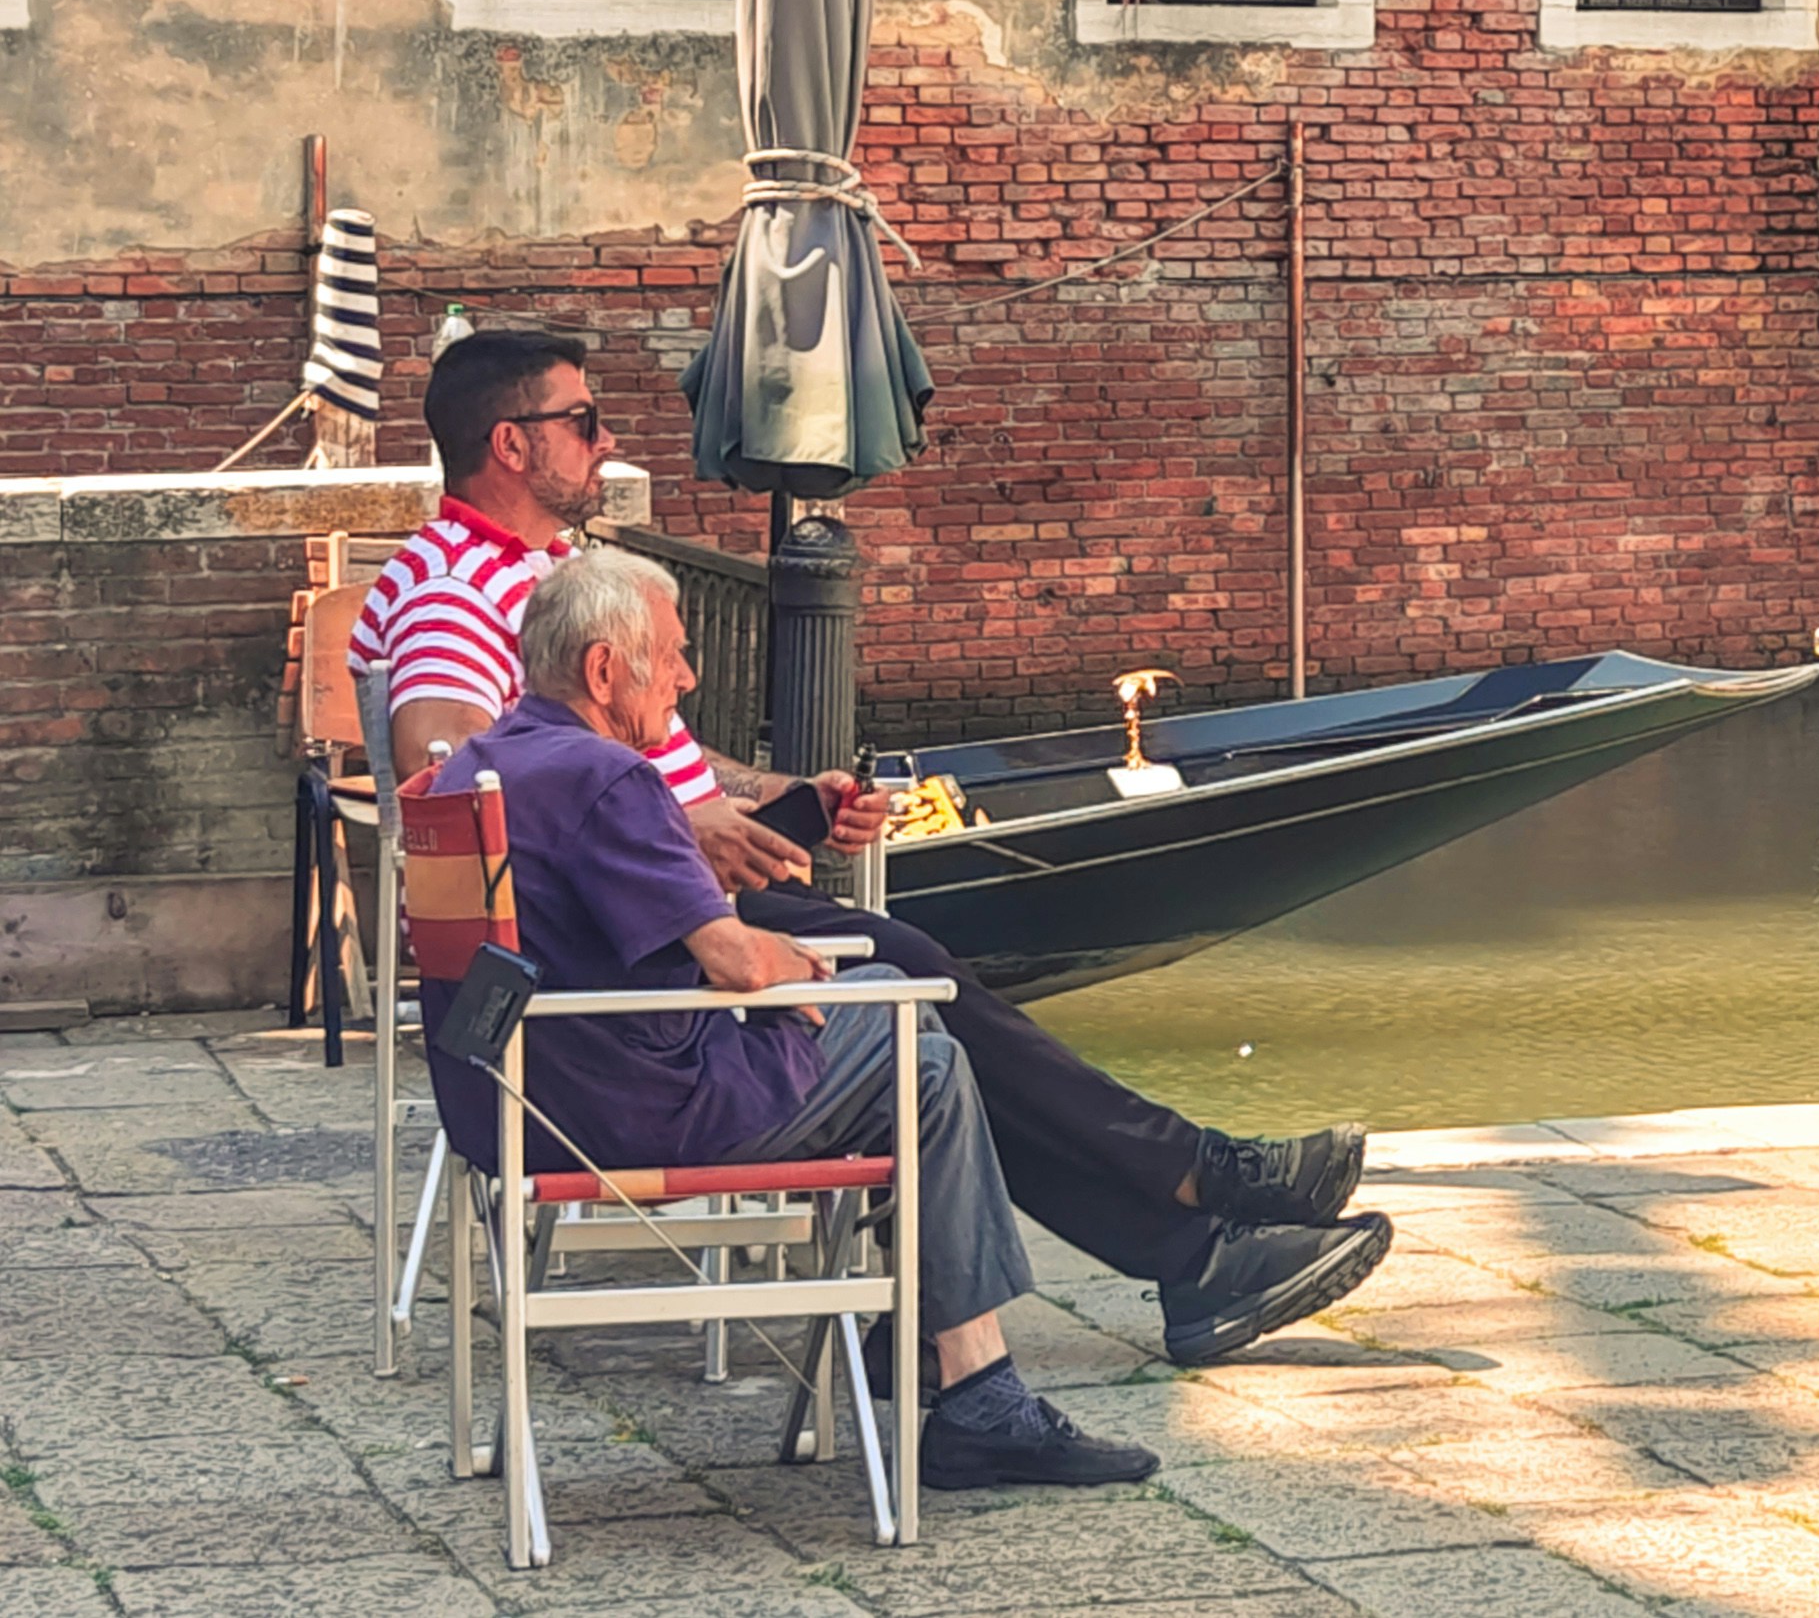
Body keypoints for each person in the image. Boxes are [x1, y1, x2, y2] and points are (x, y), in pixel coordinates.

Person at [356, 325, 1394, 1367]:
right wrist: (674, 831)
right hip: (628, 946)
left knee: (921, 978)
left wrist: (775, 797)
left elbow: (654, 756)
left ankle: (1191, 1235)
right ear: (512, 443)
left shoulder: (551, 571)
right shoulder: (454, 592)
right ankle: (1193, 1196)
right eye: (582, 420)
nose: (608, 436)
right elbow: (451, 783)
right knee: (917, 991)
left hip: (654, 890)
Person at [432, 550, 1158, 1490]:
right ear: (606, 670)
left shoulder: (476, 767)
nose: (688, 677)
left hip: (518, 1099)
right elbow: (733, 954)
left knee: (908, 1040)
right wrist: (790, 963)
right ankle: (977, 1388)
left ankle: (948, 1348)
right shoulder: (613, 778)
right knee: (924, 1053)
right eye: (674, 655)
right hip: (638, 1102)